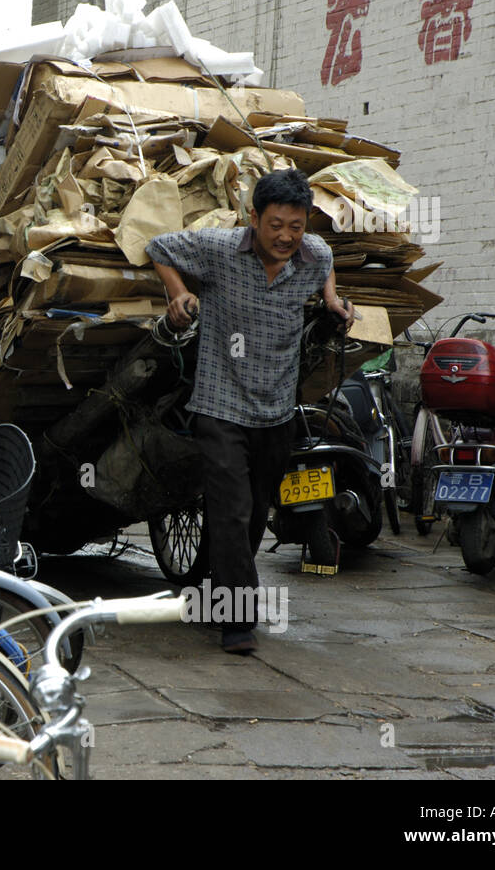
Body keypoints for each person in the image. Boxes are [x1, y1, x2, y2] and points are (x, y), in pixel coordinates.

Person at [145, 168, 355, 654]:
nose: (285, 236)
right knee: (231, 513)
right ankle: (238, 620)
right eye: (276, 224)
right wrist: (177, 293)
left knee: (257, 511)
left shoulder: (313, 254)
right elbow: (160, 248)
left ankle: (224, 590)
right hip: (220, 405)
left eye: (296, 226)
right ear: (253, 217)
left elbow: (325, 264)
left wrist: (330, 300)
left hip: (277, 410)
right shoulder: (218, 249)